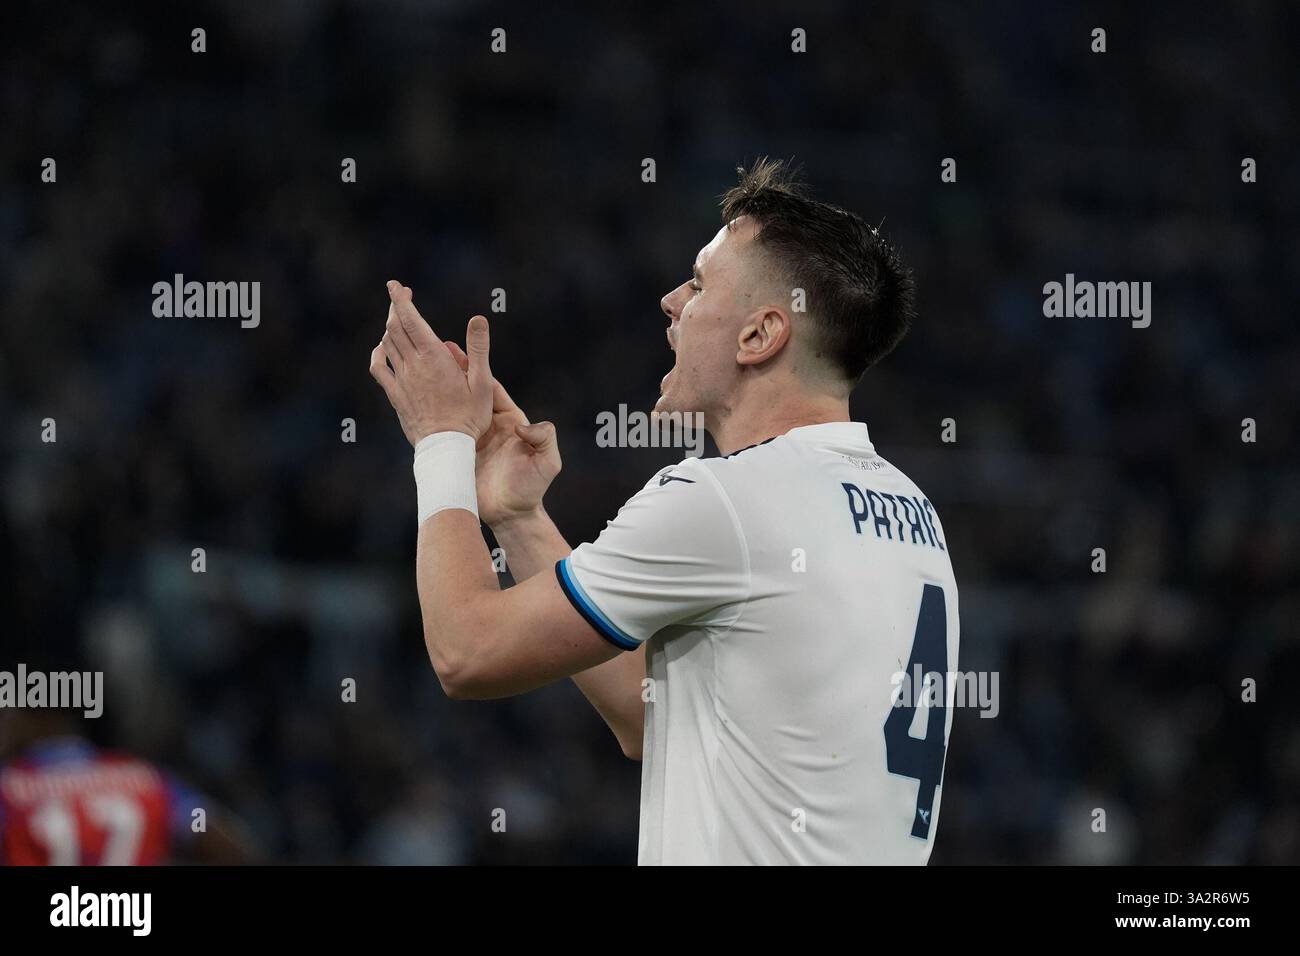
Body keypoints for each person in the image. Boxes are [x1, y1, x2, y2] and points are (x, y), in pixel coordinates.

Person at [369, 158, 960, 865]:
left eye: (700, 283)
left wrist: (440, 443)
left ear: (759, 335)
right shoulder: (911, 511)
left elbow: (466, 652)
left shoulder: (728, 500)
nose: (671, 301)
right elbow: (652, 719)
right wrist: (519, 519)